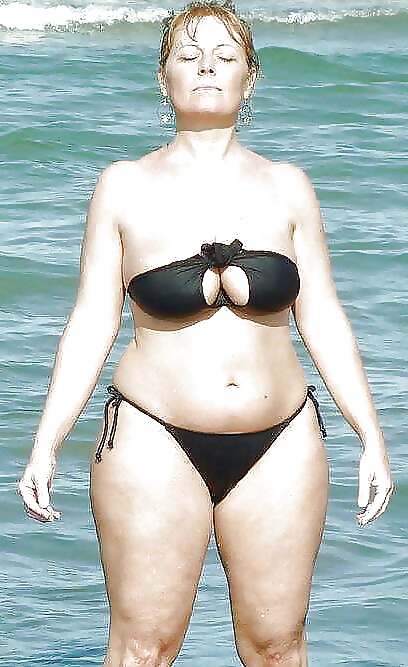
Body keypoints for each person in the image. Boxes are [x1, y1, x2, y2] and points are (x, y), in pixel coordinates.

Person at [18, 2, 393, 665]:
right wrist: (45, 443)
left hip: (283, 439)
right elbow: (92, 320)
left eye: (225, 56)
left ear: (251, 78)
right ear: (163, 79)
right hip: (151, 434)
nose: (207, 67)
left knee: (277, 646)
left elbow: (324, 316)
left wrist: (371, 436)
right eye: (188, 56)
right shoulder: (123, 187)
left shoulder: (289, 188)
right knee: (143, 648)